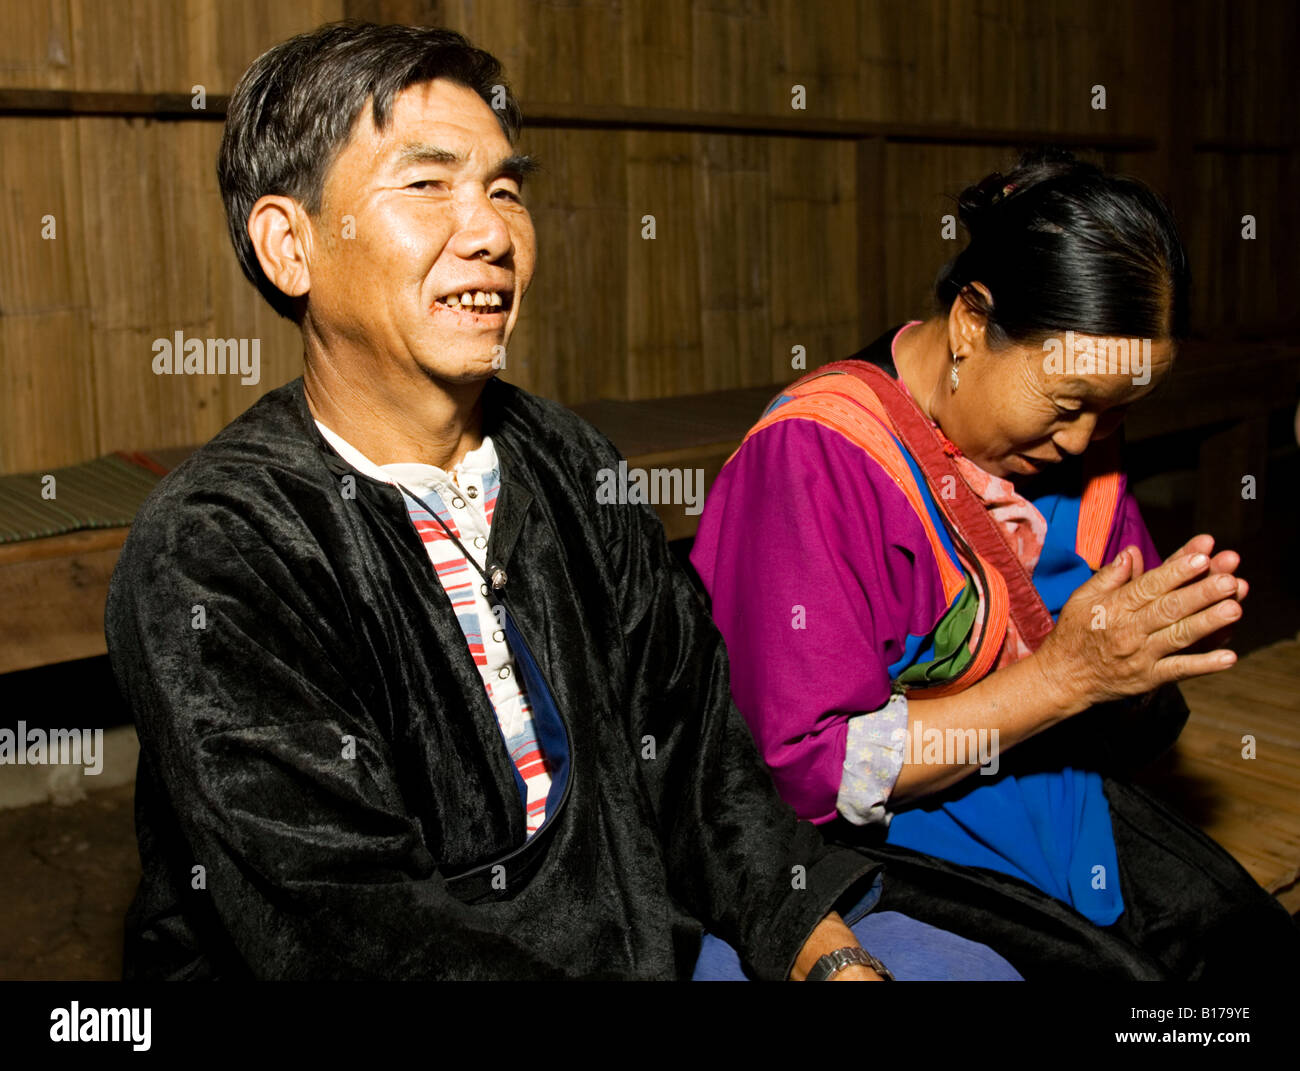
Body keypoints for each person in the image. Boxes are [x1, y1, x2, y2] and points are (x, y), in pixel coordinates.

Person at [105, 21, 1020, 982]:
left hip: (636, 935)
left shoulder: (568, 462)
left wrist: (828, 956)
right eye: (427, 185)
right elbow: (348, 924)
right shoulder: (217, 547)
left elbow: (701, 765)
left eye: (505, 190)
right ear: (290, 246)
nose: (492, 233)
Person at [690, 148, 1300, 979]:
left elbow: (1127, 685)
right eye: (1068, 403)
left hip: (1062, 810)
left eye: (1118, 410)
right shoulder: (816, 459)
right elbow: (802, 772)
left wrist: (1154, 647)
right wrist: (1066, 677)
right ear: (973, 323)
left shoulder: (1079, 448)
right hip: (897, 850)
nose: (1082, 440)